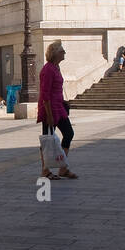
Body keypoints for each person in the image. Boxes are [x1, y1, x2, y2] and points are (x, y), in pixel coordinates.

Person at [39, 40, 77, 178]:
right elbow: (45, 93)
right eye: (62, 51)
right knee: (48, 140)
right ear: (55, 54)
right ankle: (45, 170)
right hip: (49, 109)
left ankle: (63, 167)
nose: (64, 53)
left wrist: (64, 101)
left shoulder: (56, 68)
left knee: (68, 133)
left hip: (59, 107)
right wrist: (48, 114)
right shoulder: (48, 69)